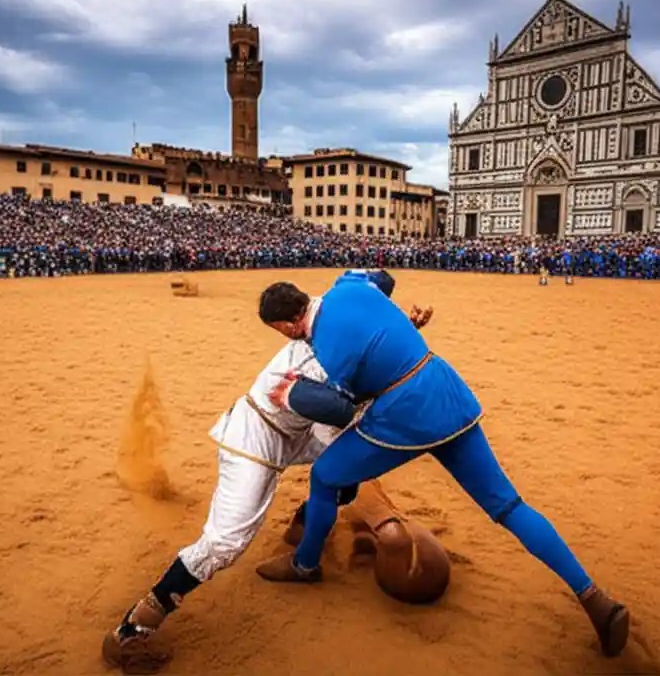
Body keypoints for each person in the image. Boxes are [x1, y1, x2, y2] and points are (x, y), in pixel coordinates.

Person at [252, 274, 630, 658]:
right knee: (509, 506)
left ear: (286, 325)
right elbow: (383, 279)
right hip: (445, 388)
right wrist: (400, 321)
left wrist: (293, 394)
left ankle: (305, 564)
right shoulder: (348, 284)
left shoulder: (329, 346)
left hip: (406, 414)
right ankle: (594, 598)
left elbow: (339, 408)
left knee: (325, 474)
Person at [103, 270, 435, 671]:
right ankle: (133, 626)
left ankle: (306, 528)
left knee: (345, 471)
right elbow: (335, 408)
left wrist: (403, 324)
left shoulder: (332, 321)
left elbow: (376, 292)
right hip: (256, 439)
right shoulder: (328, 337)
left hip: (296, 429)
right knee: (225, 543)